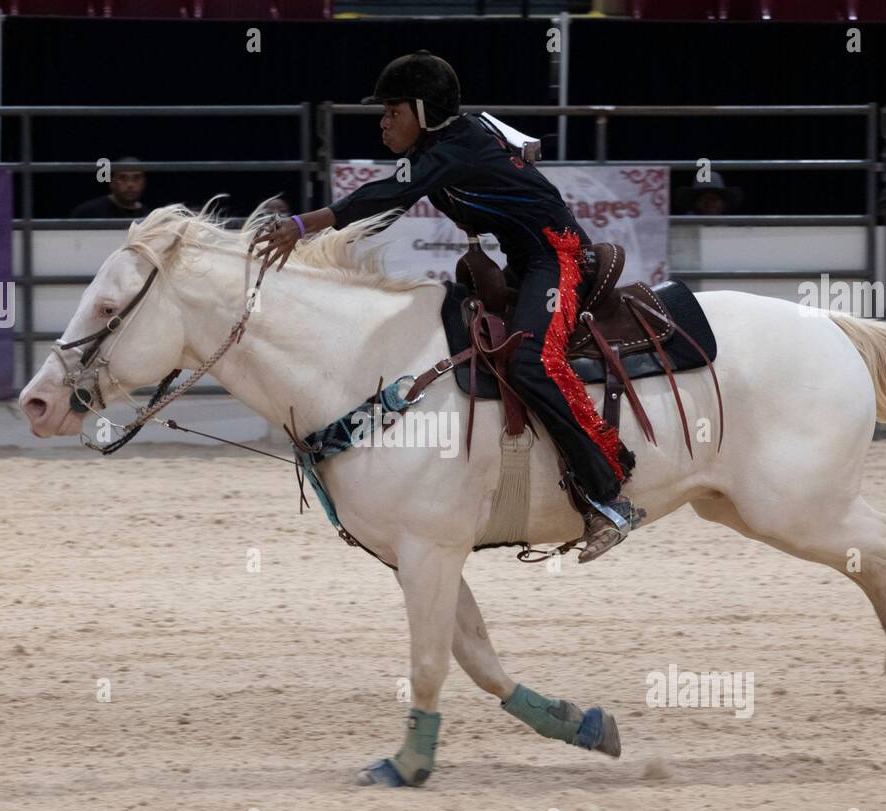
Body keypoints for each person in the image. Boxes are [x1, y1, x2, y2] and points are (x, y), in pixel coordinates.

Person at [253, 51, 638, 562]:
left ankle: (608, 495)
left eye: (393, 111)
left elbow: (392, 193)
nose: (384, 122)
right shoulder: (452, 140)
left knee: (531, 361)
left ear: (425, 111)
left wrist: (304, 225)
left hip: (558, 256)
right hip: (525, 259)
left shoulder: (457, 147)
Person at [70, 156, 149, 219]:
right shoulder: (87, 213)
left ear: (144, 182)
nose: (130, 184)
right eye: (123, 178)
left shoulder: (149, 217)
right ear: (111, 182)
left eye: (136, 178)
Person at [675, 171, 743, 216]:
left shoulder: (732, 226)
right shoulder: (684, 224)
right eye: (702, 199)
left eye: (714, 199)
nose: (709, 203)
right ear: (694, 203)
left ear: (724, 204)